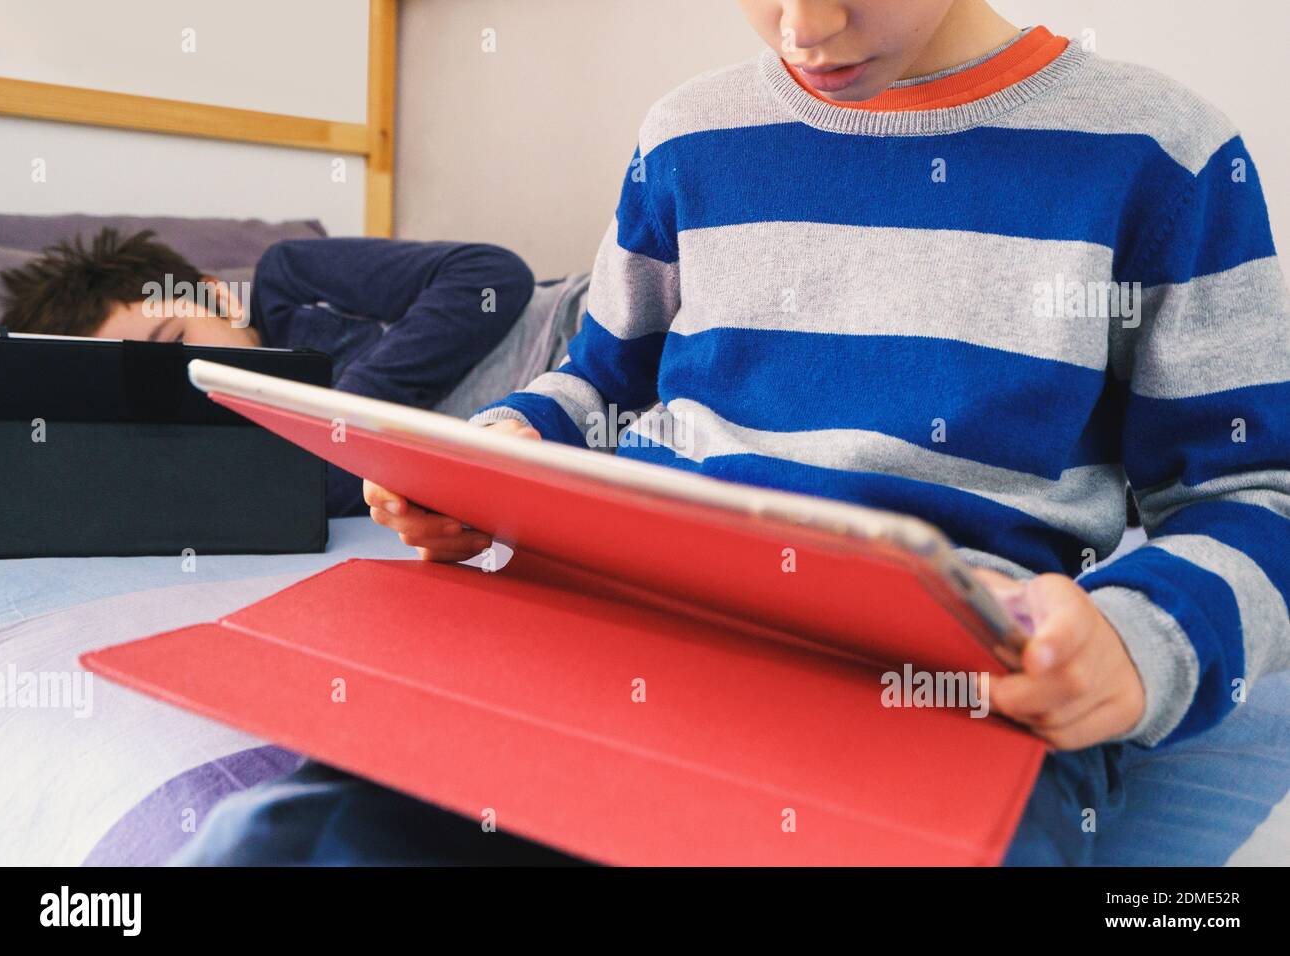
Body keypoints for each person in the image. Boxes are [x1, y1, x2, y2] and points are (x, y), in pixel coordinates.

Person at [177, 0, 1290, 865]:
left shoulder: (1166, 154)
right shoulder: (689, 135)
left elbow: (1253, 492)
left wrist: (1141, 639)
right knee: (275, 845)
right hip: (616, 645)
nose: (804, 29)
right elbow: (598, 379)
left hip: (943, 700)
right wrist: (500, 450)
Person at [0, 228, 535, 515]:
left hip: (569, 333)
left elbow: (490, 276)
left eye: (177, 341)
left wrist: (345, 410)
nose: (183, 377)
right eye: (146, 380)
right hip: (552, 441)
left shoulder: (289, 281)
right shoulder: (251, 466)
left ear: (214, 296)